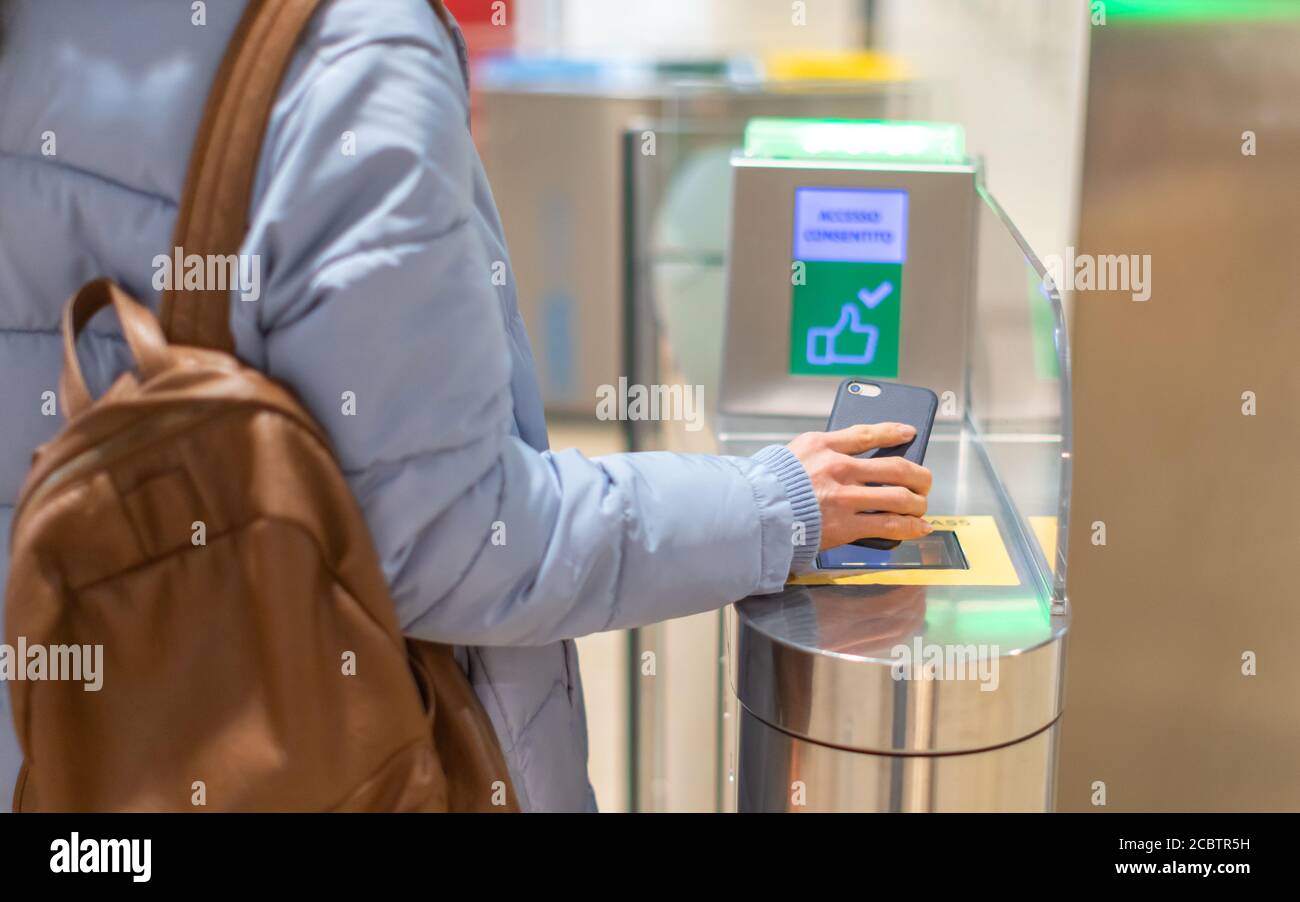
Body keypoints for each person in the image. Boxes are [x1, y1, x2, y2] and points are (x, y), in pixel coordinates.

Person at [0, 0, 931, 811]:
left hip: (63, 735)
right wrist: (773, 505)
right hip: (312, 753)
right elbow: (456, 543)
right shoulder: (348, 53)